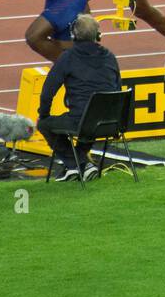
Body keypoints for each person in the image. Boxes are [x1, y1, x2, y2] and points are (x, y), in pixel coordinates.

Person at [36, 13, 121, 181]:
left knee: (46, 125)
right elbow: (118, 88)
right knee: (86, 122)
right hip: (110, 122)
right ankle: (78, 166)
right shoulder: (110, 57)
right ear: (98, 35)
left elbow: (48, 91)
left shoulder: (67, 58)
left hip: (82, 122)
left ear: (73, 35)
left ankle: (77, 164)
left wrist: (43, 114)